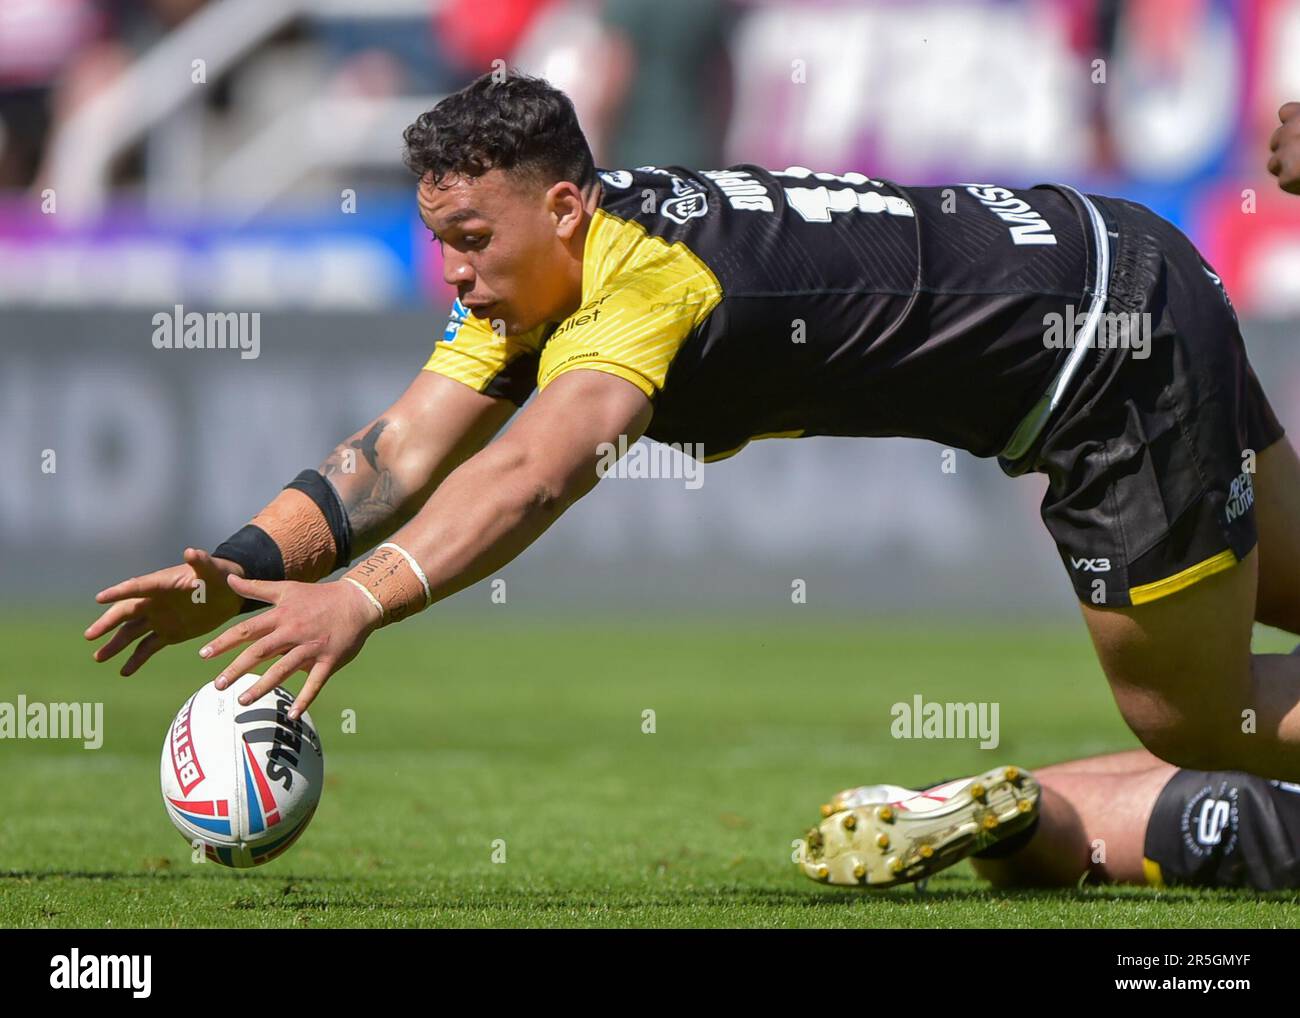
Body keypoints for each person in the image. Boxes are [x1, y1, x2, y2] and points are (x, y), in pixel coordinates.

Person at [86, 75, 1300, 891]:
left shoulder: (643, 287)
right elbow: (395, 451)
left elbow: (528, 474)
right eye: (437, 236)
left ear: (562, 207)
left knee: (1191, 717)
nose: (448, 270)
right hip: (1122, 249)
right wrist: (245, 565)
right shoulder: (558, 268)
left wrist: (356, 601)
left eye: (469, 237)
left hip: (1101, 354)